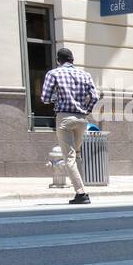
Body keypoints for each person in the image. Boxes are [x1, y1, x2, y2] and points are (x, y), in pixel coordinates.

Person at [40, 48, 100, 204]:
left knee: (70, 157)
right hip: (82, 119)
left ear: (58, 60)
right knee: (77, 154)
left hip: (65, 118)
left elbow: (45, 98)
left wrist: (57, 97)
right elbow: (95, 96)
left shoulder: (54, 73)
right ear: (72, 60)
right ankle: (81, 188)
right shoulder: (85, 74)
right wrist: (86, 110)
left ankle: (81, 193)